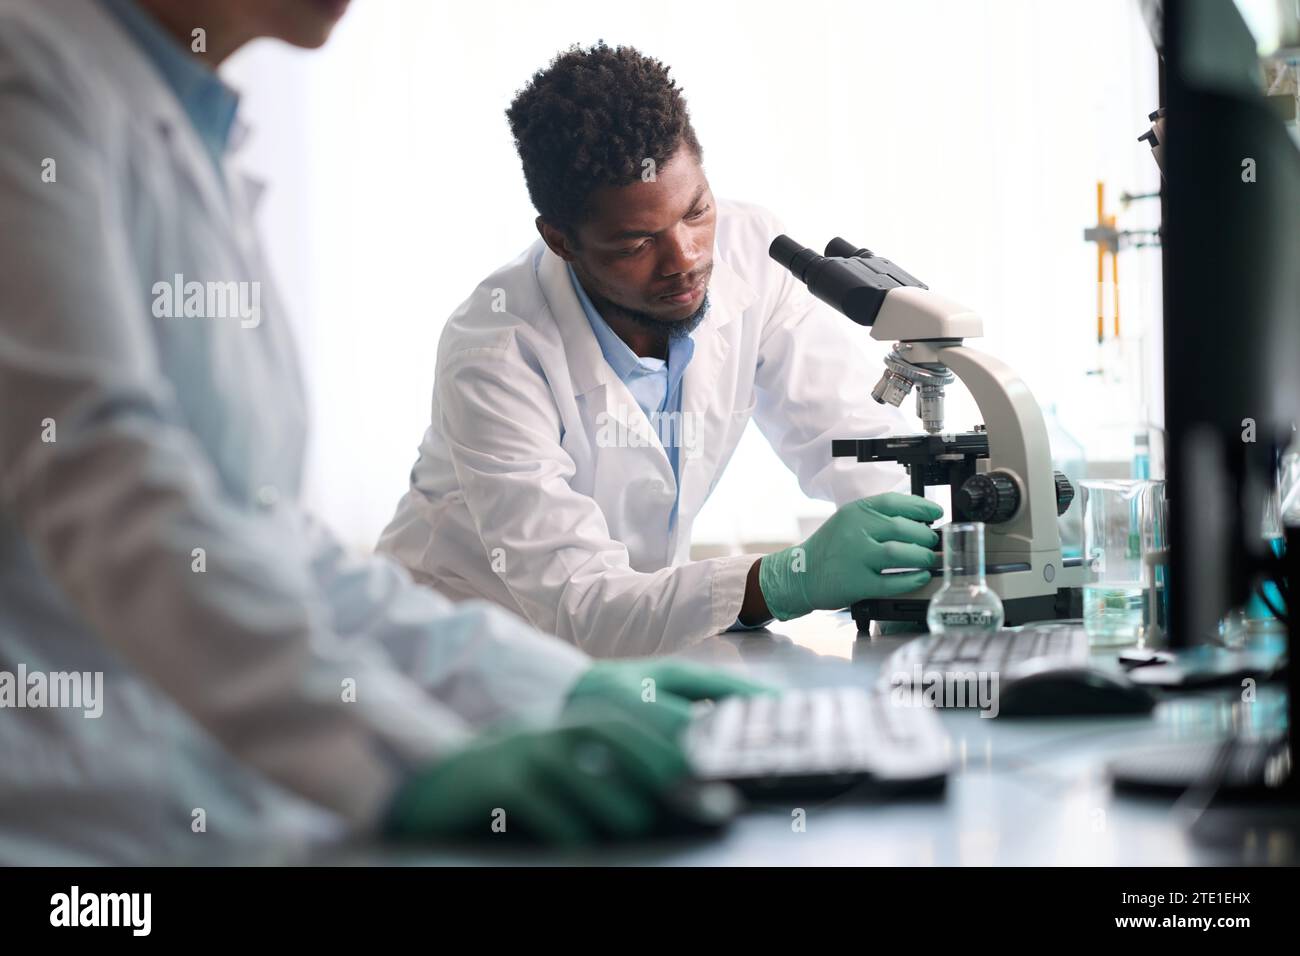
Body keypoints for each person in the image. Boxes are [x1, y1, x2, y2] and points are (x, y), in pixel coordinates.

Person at [0, 0, 763, 864]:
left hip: (202, 804)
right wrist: (404, 762)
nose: (684, 256)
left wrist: (562, 688)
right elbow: (107, 487)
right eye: (635, 240)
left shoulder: (178, 116)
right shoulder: (28, 79)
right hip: (63, 826)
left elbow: (273, 545)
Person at [379, 42, 945, 657]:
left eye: (696, 210)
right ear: (561, 240)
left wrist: (936, 552)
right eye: (636, 243)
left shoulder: (753, 251)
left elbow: (855, 441)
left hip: (635, 641)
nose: (688, 259)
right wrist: (789, 578)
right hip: (466, 653)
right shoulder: (494, 355)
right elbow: (579, 601)